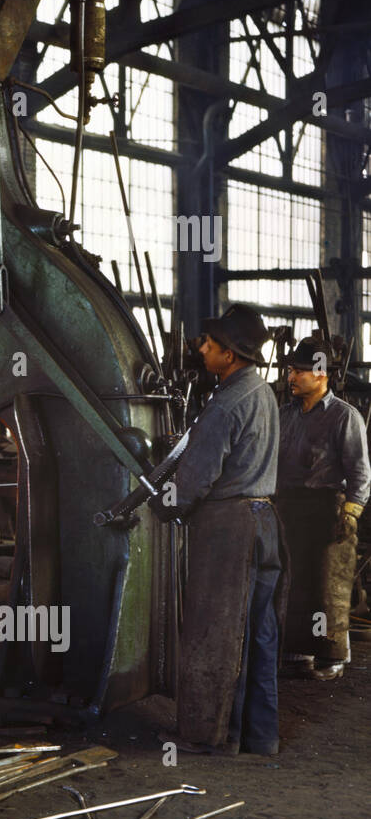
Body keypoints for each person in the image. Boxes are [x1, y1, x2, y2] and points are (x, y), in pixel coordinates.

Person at [150, 303, 283, 756]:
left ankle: (207, 736)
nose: (202, 348)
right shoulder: (262, 393)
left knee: (215, 631)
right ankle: (260, 737)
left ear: (230, 354)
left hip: (228, 529)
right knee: (258, 632)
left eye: (210, 344)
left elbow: (198, 479)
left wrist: (167, 507)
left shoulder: (226, 403)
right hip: (264, 520)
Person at [276, 336, 370, 681]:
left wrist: (351, 511)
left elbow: (360, 470)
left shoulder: (344, 418)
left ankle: (332, 654)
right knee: (293, 581)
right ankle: (298, 651)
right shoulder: (284, 415)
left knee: (328, 585)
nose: (292, 376)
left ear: (320, 373)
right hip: (289, 507)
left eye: (299, 370)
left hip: (327, 509)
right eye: (291, 370)